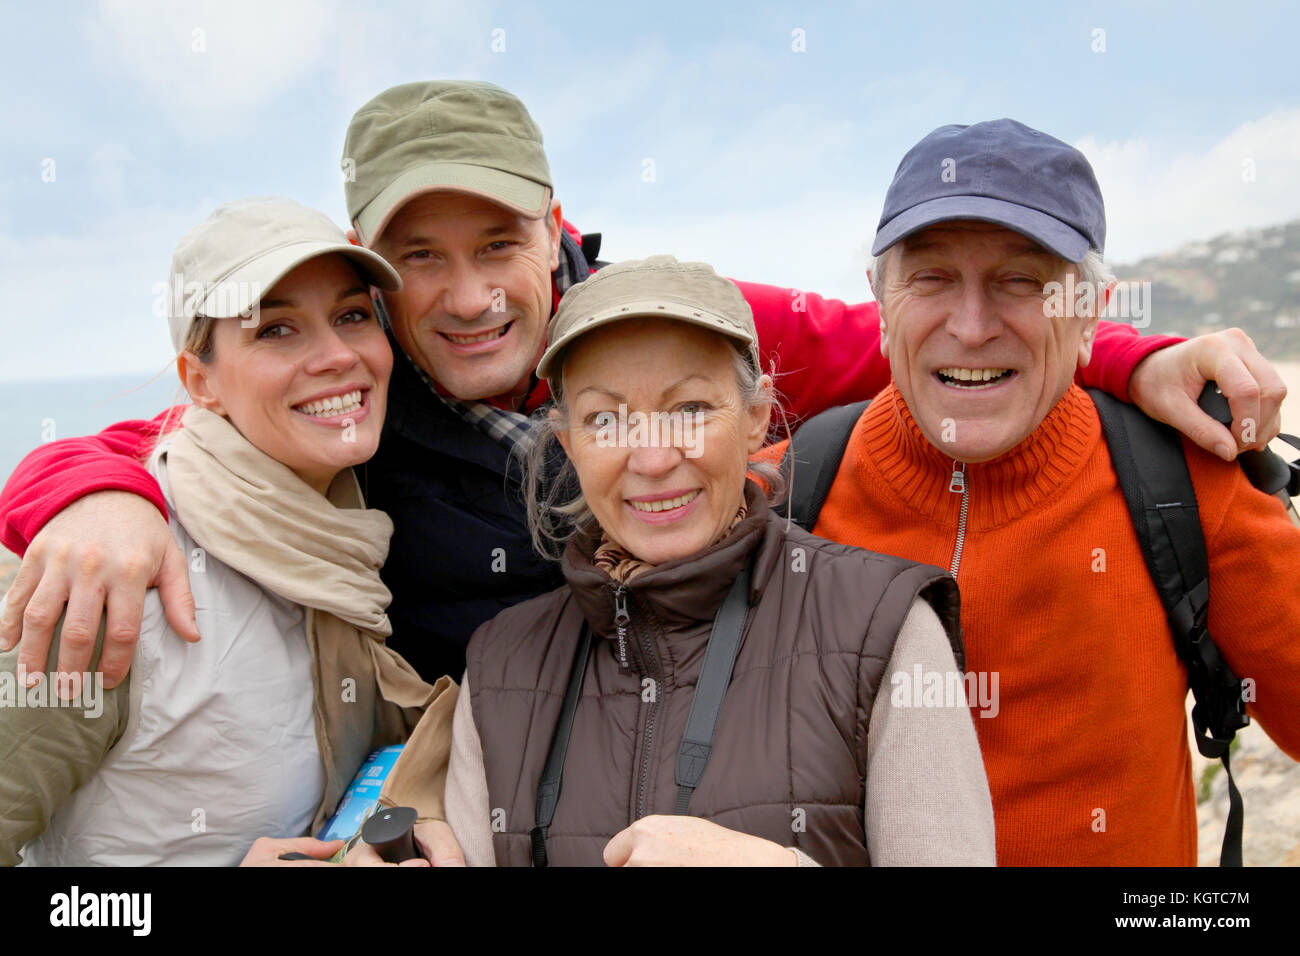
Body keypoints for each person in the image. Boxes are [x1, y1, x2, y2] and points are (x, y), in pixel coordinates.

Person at [0, 82, 1284, 694]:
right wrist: (85, 496)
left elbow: (913, 332)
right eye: (417, 259)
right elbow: (179, 436)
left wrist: (1132, 353)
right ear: (370, 273)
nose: (465, 297)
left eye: (497, 245)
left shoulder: (672, 327)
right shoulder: (351, 393)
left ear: (553, 232)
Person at [760, 119, 1300, 865]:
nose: (973, 326)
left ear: (1088, 315)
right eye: (931, 277)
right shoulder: (785, 491)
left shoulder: (1184, 483)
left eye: (1022, 280)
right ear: (879, 305)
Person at [435, 255, 995, 866]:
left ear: (756, 417)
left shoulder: (885, 630)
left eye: (691, 409)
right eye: (606, 419)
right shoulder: (498, 668)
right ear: (570, 444)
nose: (651, 459)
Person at [0, 198, 455, 866]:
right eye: (276, 330)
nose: (335, 356)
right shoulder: (111, 579)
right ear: (200, 381)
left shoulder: (344, 535)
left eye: (352, 316)